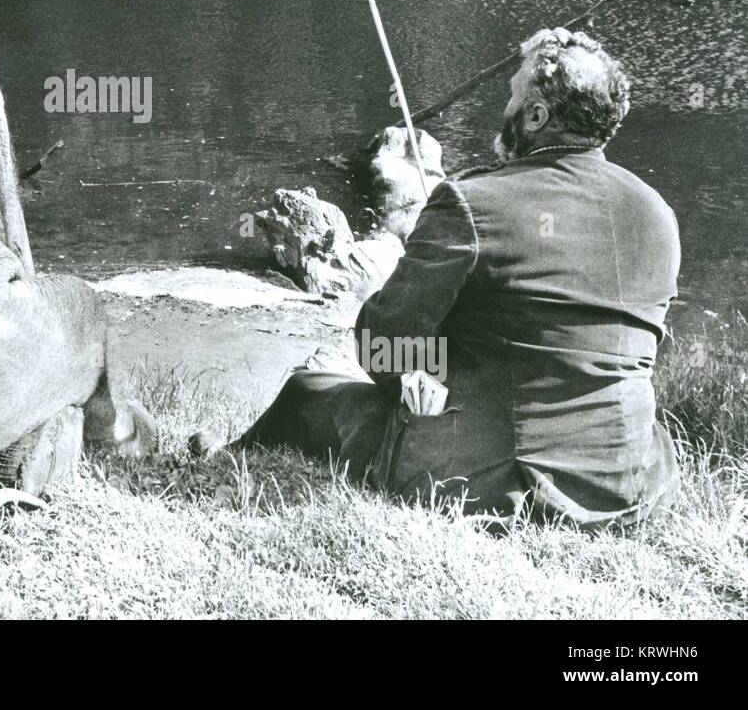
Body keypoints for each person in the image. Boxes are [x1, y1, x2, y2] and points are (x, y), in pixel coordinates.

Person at [200, 27, 681, 527]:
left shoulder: (475, 201)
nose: (507, 106)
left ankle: (223, 462)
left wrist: (431, 359)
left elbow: (378, 346)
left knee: (308, 390)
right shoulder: (659, 215)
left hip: (507, 486)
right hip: (635, 485)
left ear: (537, 117)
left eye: (514, 95)